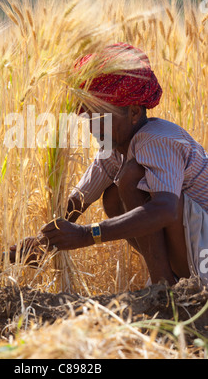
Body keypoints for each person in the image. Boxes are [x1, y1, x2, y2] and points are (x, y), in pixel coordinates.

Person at [12, 43, 208, 288]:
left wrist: (86, 235)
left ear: (134, 112)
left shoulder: (157, 140)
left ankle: (164, 287)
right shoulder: (114, 148)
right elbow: (78, 201)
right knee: (112, 195)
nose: (93, 127)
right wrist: (42, 243)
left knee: (130, 177)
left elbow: (166, 209)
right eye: (88, 116)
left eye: (100, 116)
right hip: (192, 252)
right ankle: (167, 283)